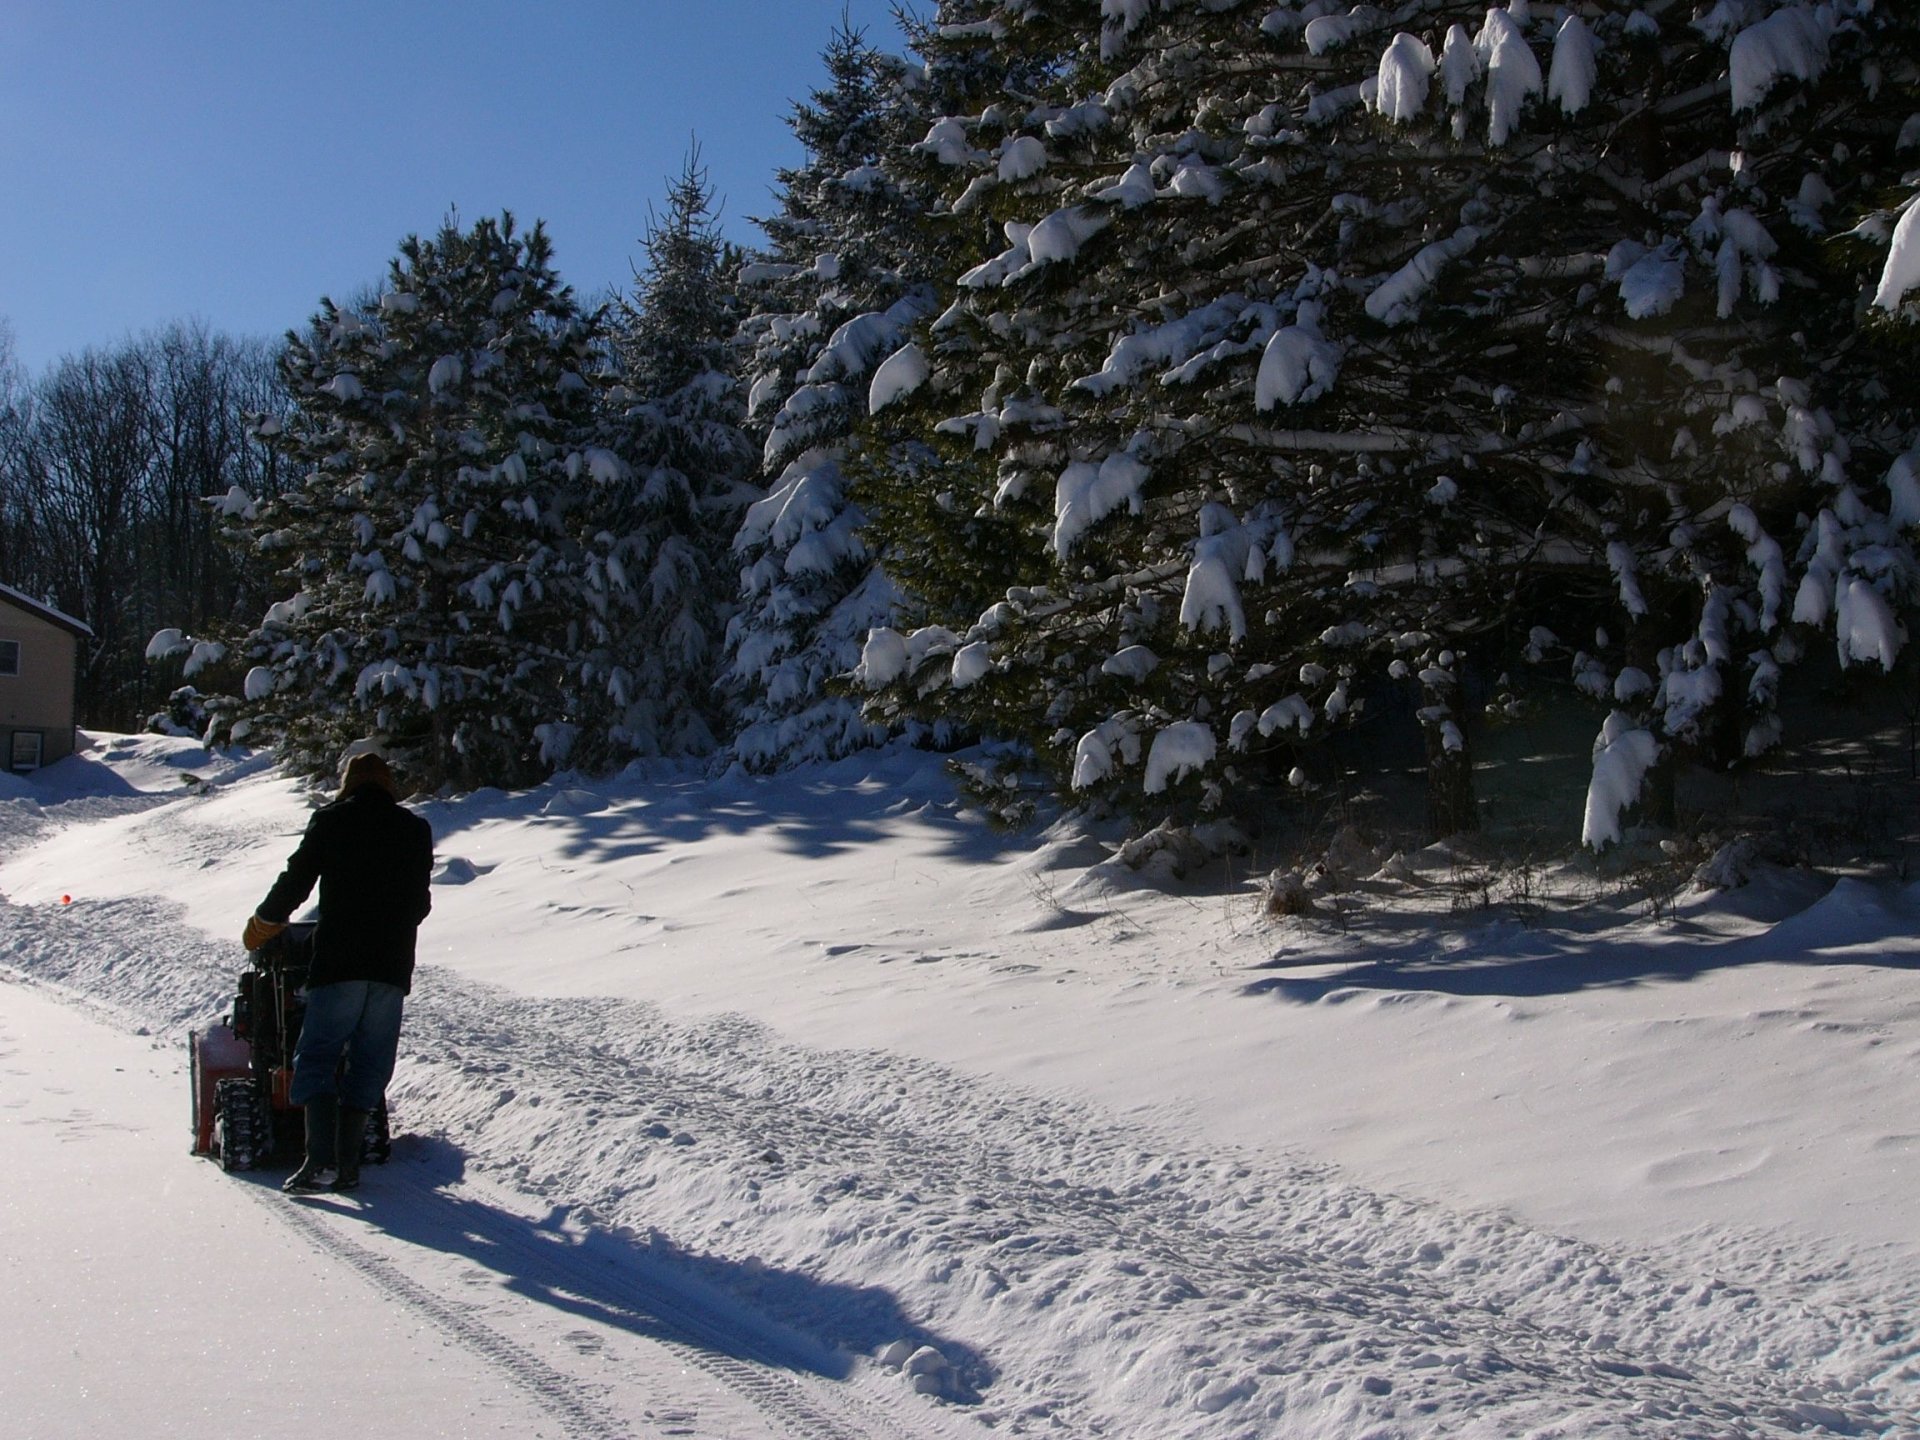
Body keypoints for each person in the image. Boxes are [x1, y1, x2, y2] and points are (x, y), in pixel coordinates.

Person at [244, 749, 433, 1193]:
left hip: (339, 962)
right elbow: (420, 903)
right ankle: (349, 1165)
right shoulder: (415, 829)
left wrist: (263, 924)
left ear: (348, 783)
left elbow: (297, 879)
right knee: (369, 1063)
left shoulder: (332, 820)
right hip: (391, 966)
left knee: (317, 1055)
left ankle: (320, 1161)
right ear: (388, 784)